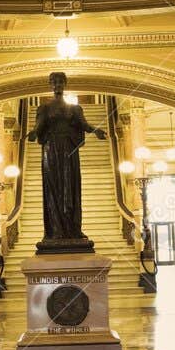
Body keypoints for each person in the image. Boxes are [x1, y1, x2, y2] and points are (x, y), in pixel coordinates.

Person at [28, 71, 106, 249]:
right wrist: (33, 133)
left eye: (60, 82)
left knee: (70, 188)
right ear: (50, 85)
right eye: (54, 82)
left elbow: (83, 124)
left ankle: (73, 229)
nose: (57, 85)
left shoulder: (74, 109)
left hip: (69, 150)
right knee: (54, 190)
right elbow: (38, 127)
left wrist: (96, 131)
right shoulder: (45, 108)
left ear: (65, 84)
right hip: (51, 151)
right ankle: (56, 231)